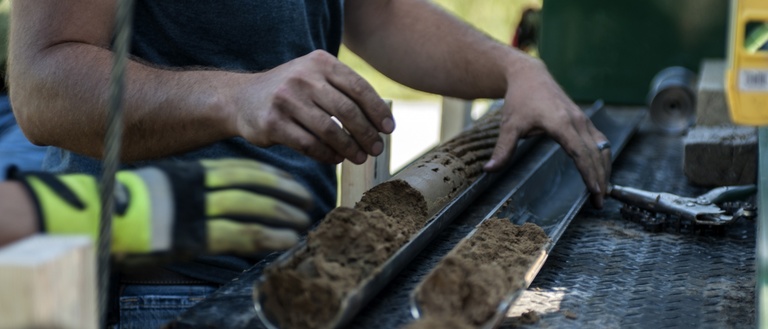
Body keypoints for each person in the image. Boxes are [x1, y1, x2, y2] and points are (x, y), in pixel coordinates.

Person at [8, 1, 612, 327]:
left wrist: (514, 71)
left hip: (302, 275)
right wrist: (233, 97)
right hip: (163, 293)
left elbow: (378, 15)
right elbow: (42, 84)